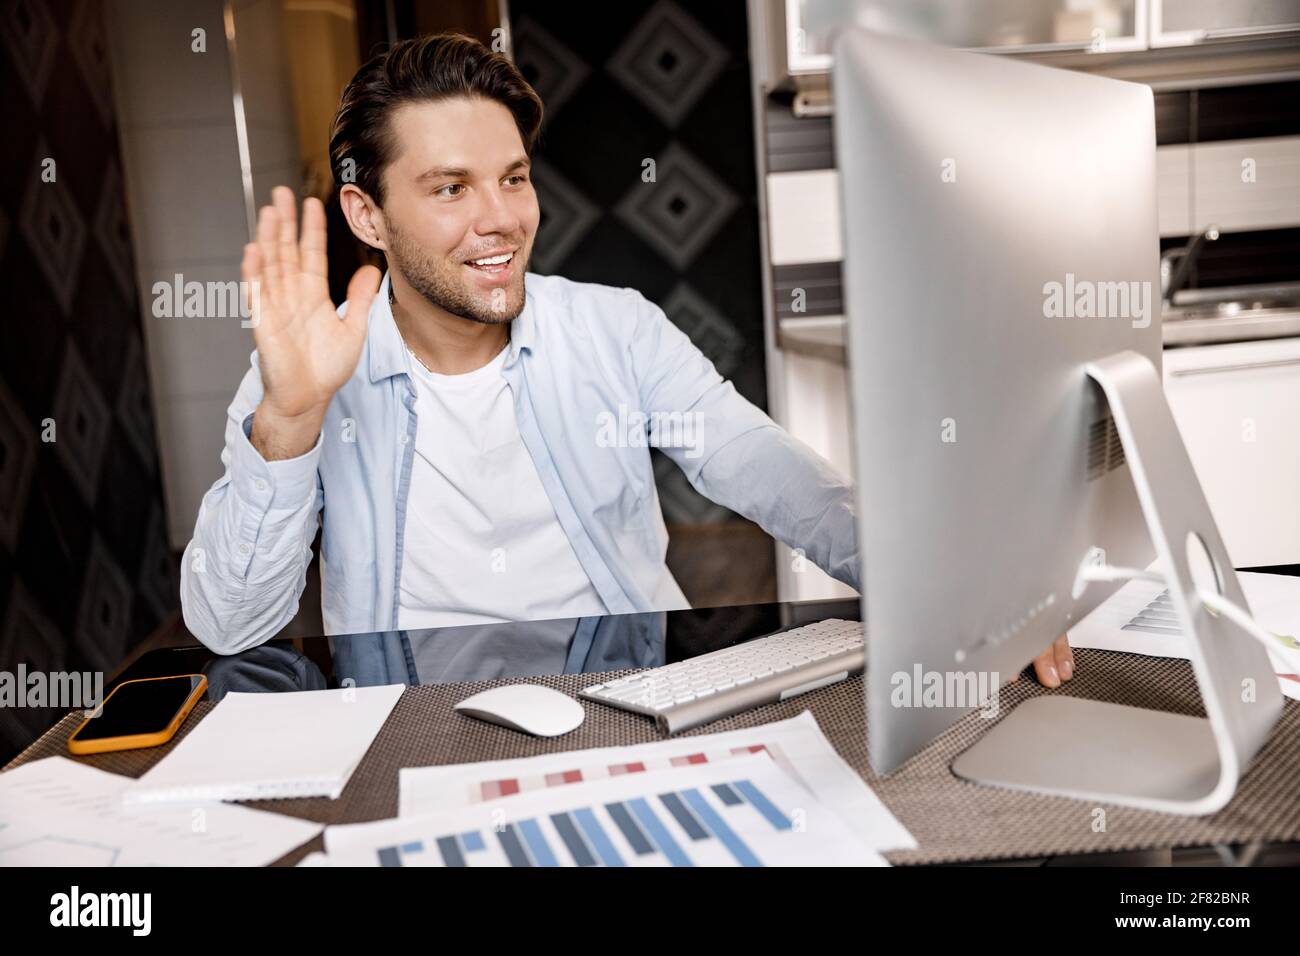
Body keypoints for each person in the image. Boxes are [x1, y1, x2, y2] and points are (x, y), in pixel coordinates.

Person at [180, 32, 1074, 687]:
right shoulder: (302, 373)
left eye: (514, 177)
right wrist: (290, 421)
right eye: (451, 188)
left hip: (622, 707)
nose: (501, 219)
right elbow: (229, 625)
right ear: (367, 216)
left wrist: (949, 581)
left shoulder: (615, 330)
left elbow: (771, 474)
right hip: (407, 733)